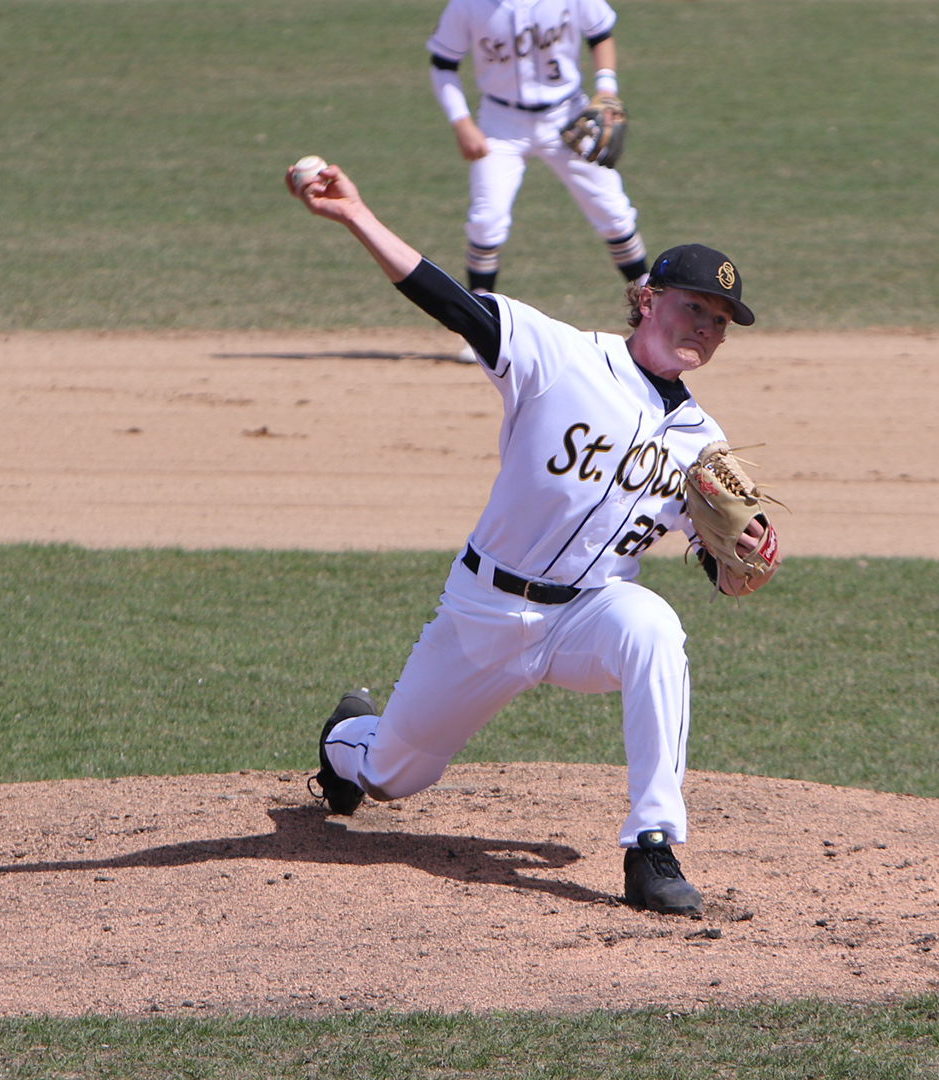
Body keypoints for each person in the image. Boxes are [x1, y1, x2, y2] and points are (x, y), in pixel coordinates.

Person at [287, 160, 780, 916]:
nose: (706, 330)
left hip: (588, 616)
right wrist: (357, 215)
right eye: (693, 308)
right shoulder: (560, 357)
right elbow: (446, 298)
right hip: (485, 613)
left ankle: (652, 846)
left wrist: (745, 555)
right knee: (391, 774)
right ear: (646, 301)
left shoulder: (701, 443)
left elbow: (710, 553)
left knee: (653, 627)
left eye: (719, 321)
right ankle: (345, 737)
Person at [426, 0, 648, 296]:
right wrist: (461, 122)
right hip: (500, 122)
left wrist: (606, 88)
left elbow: (600, 33)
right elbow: (442, 63)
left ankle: (652, 304)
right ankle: (479, 321)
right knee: (486, 220)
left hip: (569, 115)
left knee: (613, 213)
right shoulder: (468, 4)